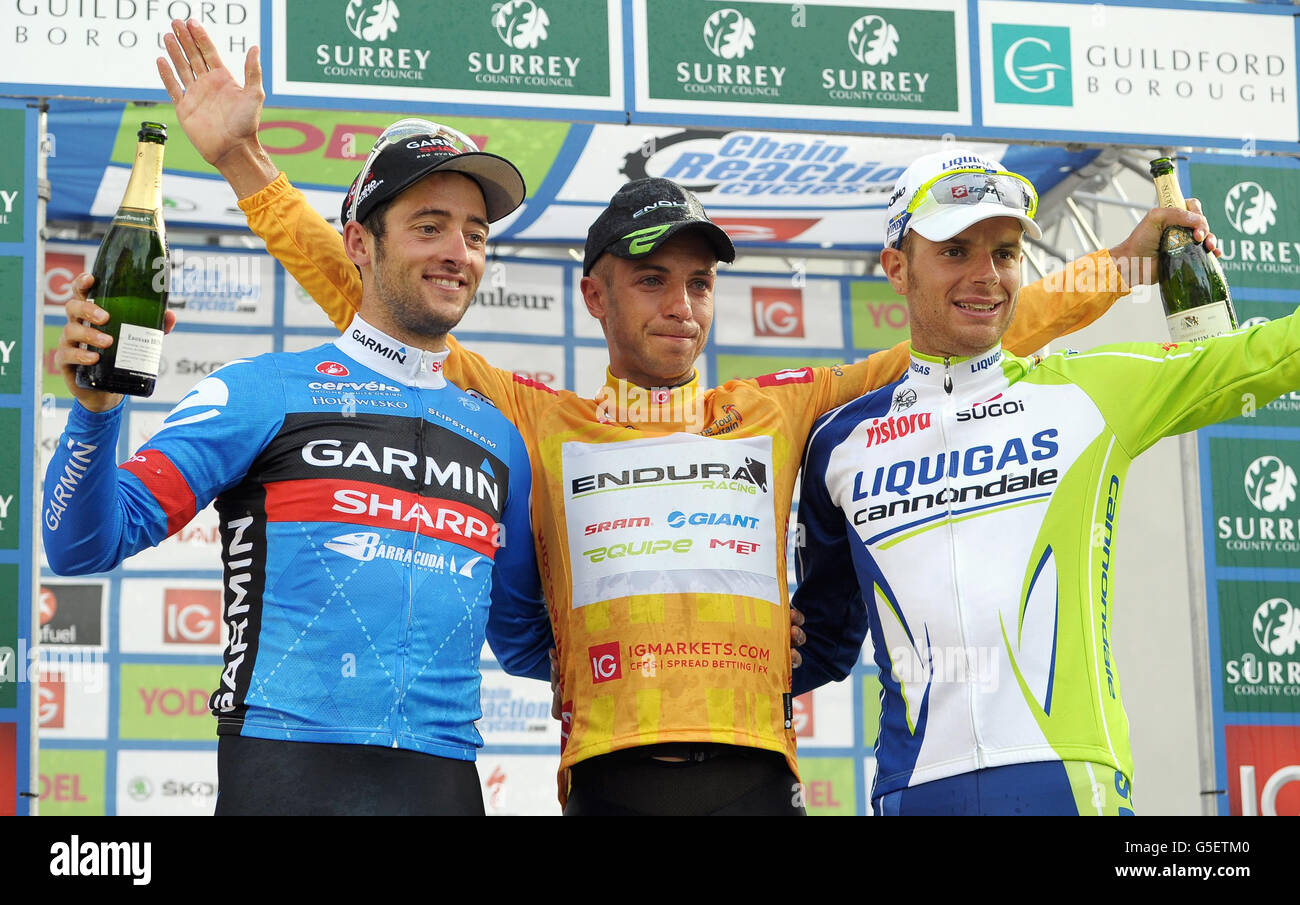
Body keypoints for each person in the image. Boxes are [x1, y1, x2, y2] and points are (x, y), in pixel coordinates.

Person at [155, 19, 1219, 815]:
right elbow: (376, 300)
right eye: (651, 279)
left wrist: (1128, 256)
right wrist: (247, 166)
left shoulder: (781, 407)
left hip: (759, 777)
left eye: (699, 282)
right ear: (595, 296)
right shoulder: (540, 416)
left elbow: (980, 324)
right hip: (606, 783)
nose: (680, 303)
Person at [42, 118, 553, 815]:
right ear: (358, 244)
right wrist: (96, 412)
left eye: (474, 233)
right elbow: (82, 543)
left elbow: (526, 643)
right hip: (286, 775)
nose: (457, 252)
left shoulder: (499, 436)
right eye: (429, 226)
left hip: (446, 784)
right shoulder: (261, 392)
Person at [791, 148, 1300, 815]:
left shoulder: (1089, 393)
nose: (986, 276)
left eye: (1004, 253)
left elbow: (1259, 359)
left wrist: (1135, 259)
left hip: (1065, 779)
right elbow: (821, 641)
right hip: (914, 788)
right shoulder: (838, 443)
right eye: (955, 252)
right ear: (897, 267)